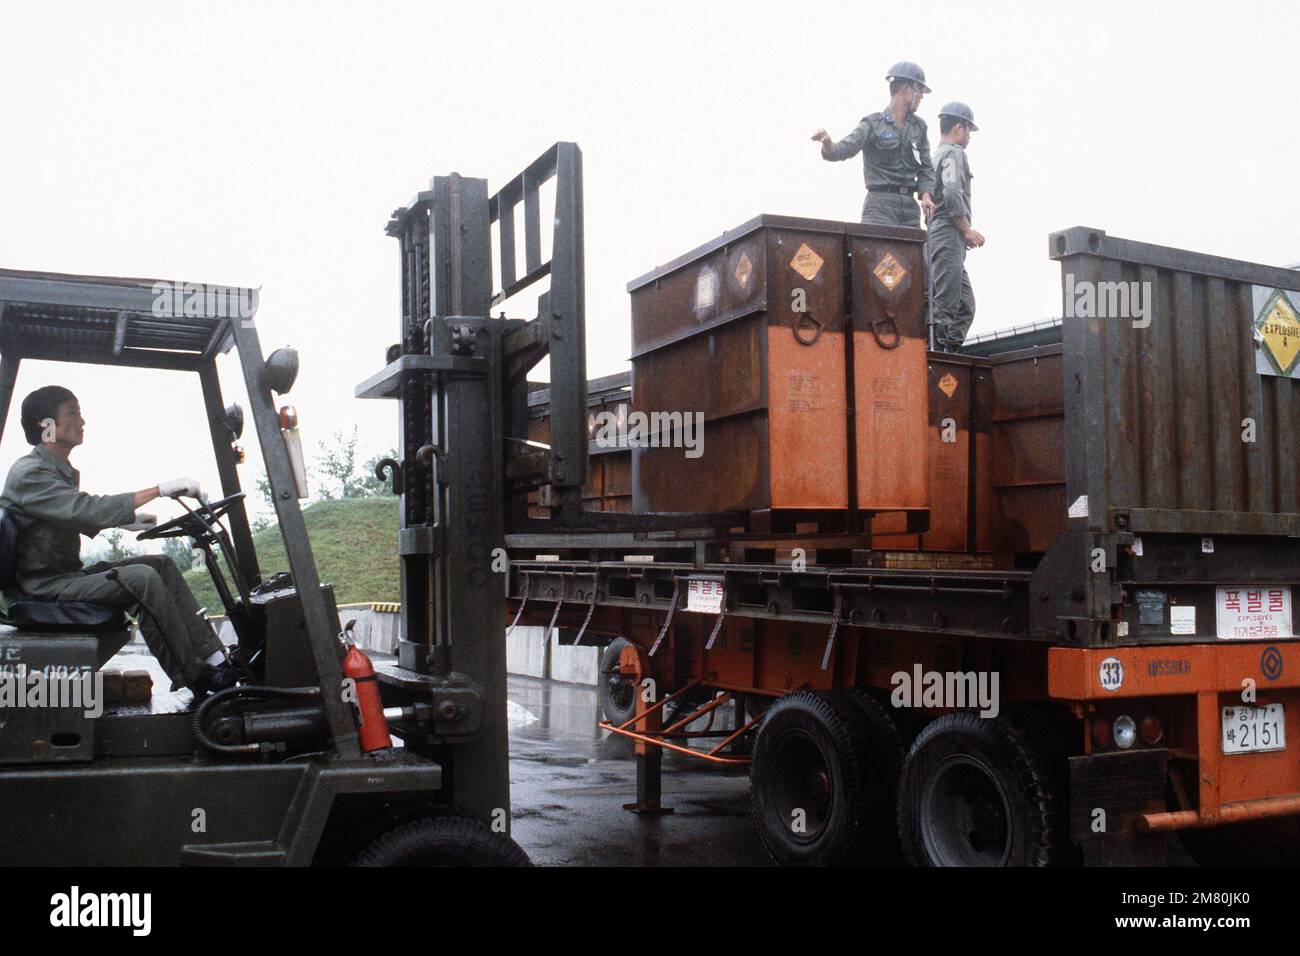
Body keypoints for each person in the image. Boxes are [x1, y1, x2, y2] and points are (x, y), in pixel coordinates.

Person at [0, 385, 238, 695]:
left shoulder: (56, 471)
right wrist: (159, 490)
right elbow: (84, 509)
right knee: (140, 578)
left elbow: (67, 515)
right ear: (45, 425)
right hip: (42, 587)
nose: (82, 421)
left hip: (61, 577)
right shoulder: (30, 472)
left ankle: (217, 661)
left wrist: (133, 521)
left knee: (161, 564)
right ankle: (196, 677)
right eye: (72, 412)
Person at [812, 60, 937, 227]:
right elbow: (843, 149)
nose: (921, 97)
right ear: (907, 88)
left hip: (909, 211)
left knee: (911, 252)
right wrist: (828, 143)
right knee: (877, 252)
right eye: (920, 90)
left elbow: (926, 167)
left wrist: (926, 196)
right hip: (879, 207)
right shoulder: (873, 124)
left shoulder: (919, 128)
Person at [929, 101, 983, 352]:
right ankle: (937, 357)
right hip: (948, 232)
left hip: (944, 235)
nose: (969, 136)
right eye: (969, 130)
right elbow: (952, 194)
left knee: (965, 305)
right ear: (959, 128)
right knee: (947, 305)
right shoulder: (953, 153)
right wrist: (965, 230)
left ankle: (948, 352)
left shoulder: (936, 155)